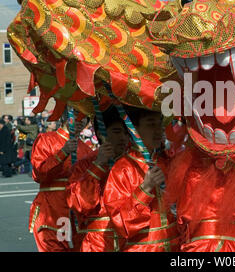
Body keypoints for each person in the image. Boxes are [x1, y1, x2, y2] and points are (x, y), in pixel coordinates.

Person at [103, 107, 180, 252]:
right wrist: (146, 188)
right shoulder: (122, 169)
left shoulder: (169, 163)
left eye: (159, 123)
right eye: (151, 124)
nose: (158, 130)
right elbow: (121, 223)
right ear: (134, 129)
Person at [67, 106, 130, 252]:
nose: (122, 137)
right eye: (116, 131)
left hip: (130, 241)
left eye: (126, 133)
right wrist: (98, 166)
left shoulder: (134, 163)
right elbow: (80, 204)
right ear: (101, 134)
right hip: (97, 243)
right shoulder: (83, 165)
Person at [29, 111, 92, 252]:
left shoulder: (86, 149)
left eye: (84, 117)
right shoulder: (46, 139)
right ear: (65, 116)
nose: (81, 120)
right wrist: (63, 152)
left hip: (78, 212)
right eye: (77, 115)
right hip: (51, 209)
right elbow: (39, 173)